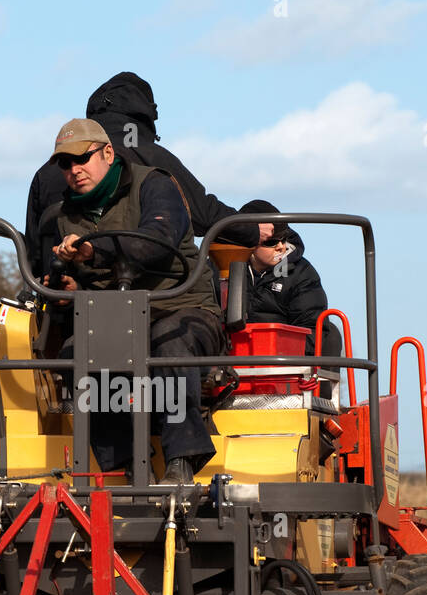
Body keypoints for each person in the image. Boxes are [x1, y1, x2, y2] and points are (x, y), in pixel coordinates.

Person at [46, 118, 223, 486]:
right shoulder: (66, 216)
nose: (75, 170)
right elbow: (84, 281)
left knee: (167, 343)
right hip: (118, 321)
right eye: (65, 164)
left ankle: (181, 462)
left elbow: (155, 240)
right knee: (75, 353)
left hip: (183, 308)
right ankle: (121, 465)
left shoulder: (155, 184)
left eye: (82, 158)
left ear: (108, 152)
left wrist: (95, 250)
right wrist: (67, 292)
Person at [25, 73, 256, 278]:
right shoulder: (153, 158)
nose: (74, 169)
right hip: (146, 303)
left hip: (62, 302)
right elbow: (204, 216)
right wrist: (253, 228)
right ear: (146, 115)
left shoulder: (46, 171)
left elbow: (33, 255)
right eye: (68, 164)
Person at [236, 199, 341, 358]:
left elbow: (311, 330)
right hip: (228, 362)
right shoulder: (219, 270)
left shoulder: (301, 274)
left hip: (284, 367)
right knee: (185, 375)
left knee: (331, 334)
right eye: (271, 241)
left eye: (284, 238)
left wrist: (271, 351)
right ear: (247, 242)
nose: (281, 246)